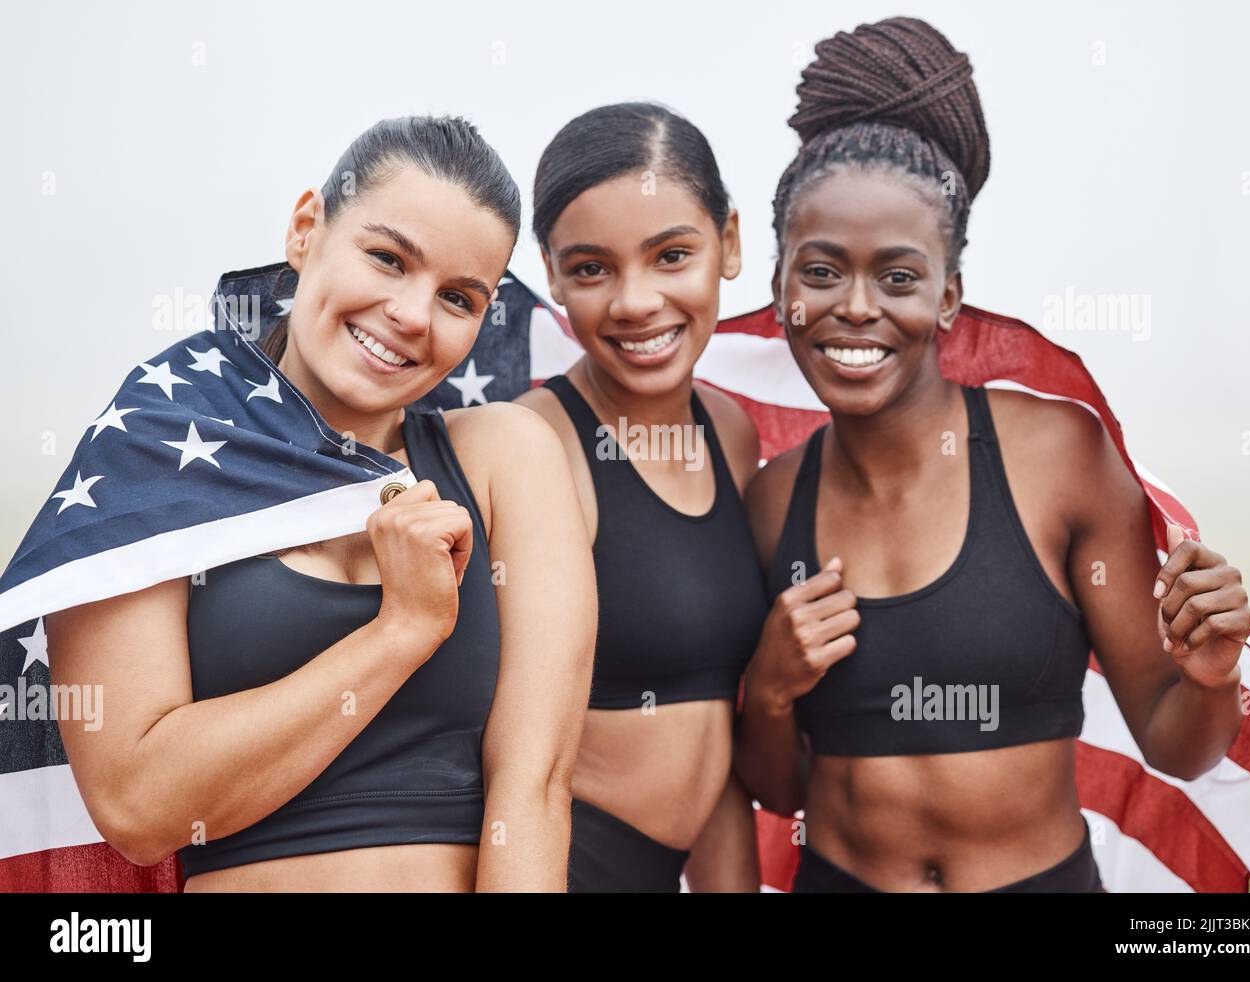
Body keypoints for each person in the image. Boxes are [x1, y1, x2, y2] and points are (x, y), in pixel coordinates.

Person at [736, 18, 1250, 893]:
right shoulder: (771, 502)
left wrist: (1209, 675)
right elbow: (776, 786)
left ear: (950, 297)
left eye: (898, 277)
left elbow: (1178, 745)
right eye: (820, 272)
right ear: (780, 288)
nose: (855, 307)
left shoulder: (1060, 459)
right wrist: (773, 689)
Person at [46, 115, 597, 892]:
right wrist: (401, 631)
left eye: (459, 297)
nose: (412, 314)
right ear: (307, 229)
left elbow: (535, 789)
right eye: (387, 258)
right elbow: (137, 807)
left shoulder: (509, 457)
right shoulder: (153, 459)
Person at [515, 102, 767, 891]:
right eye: (590, 268)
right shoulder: (533, 446)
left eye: (671, 255)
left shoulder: (730, 433)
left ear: (727, 243)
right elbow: (513, 761)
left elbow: (715, 729)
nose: (634, 302)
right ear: (551, 273)